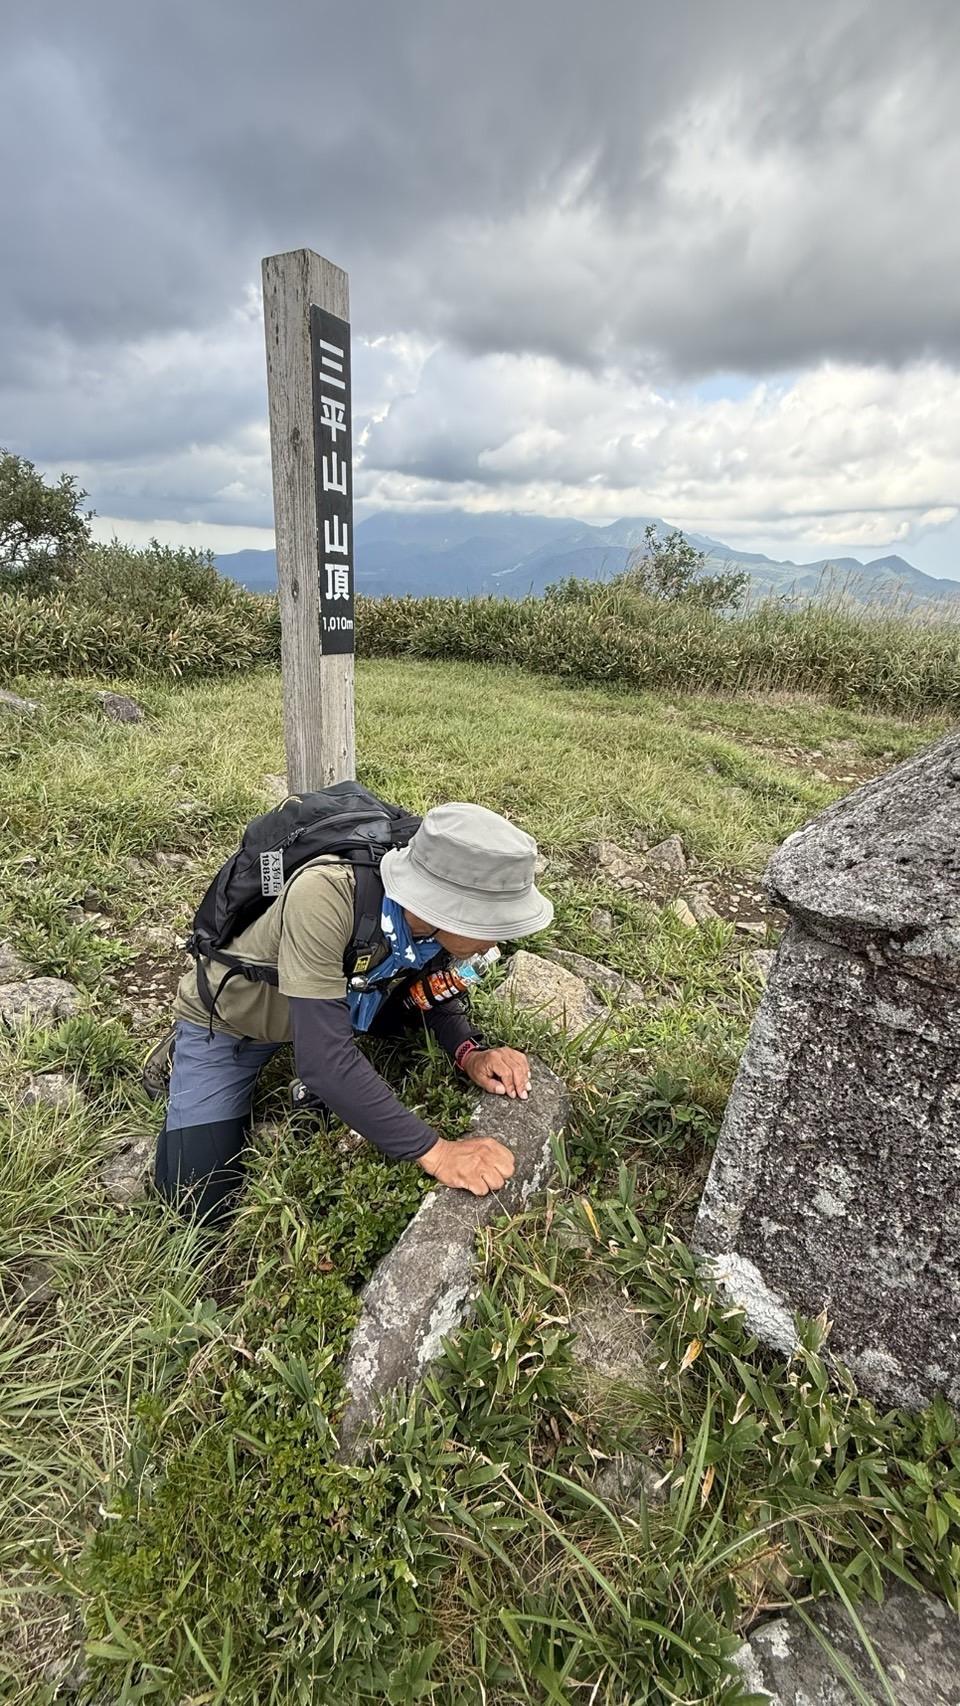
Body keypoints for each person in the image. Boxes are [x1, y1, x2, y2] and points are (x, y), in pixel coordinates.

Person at [152, 801, 553, 1221]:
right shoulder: (326, 895)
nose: (496, 944)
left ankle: (313, 1031)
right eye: (494, 925)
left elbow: (428, 993)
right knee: (195, 1201)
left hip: (321, 1010)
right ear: (446, 907)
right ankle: (185, 1049)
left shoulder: (431, 927)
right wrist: (436, 1153)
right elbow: (324, 1062)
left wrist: (470, 1053)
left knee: (336, 1032)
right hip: (235, 1020)